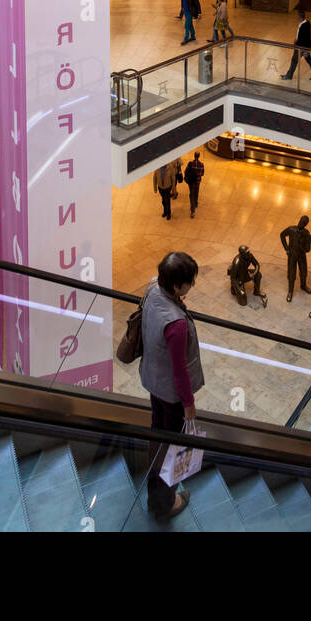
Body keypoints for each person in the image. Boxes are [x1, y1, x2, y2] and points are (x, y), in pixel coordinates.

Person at [139, 251, 203, 521]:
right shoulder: (176, 325)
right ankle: (165, 503)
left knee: (158, 434)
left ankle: (154, 492)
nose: (193, 285)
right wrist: (189, 405)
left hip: (153, 381)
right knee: (174, 449)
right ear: (177, 286)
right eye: (189, 281)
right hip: (172, 395)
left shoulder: (153, 288)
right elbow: (180, 371)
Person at [282, 8, 311, 81]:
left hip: (301, 47)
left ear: (300, 17)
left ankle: (289, 75)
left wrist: (306, 50)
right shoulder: (305, 23)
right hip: (301, 45)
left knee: (294, 60)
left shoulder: (305, 26)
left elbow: (307, 39)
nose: (297, 17)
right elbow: (300, 34)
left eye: (297, 16)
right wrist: (296, 39)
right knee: (309, 60)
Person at [280, 215, 311, 302]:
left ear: (305, 224)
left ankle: (303, 285)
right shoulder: (291, 229)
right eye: (301, 221)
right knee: (291, 273)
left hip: (301, 256)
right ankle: (290, 291)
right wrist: (286, 248)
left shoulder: (306, 233)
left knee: (304, 272)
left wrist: (304, 247)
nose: (301, 223)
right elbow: (282, 235)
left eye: (303, 223)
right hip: (292, 255)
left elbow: (308, 248)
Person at [185, 151, 205, 217]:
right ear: (199, 156)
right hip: (197, 181)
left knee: (191, 195)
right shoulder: (201, 164)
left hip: (191, 182)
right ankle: (196, 202)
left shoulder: (190, 163)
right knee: (196, 192)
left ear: (194, 156)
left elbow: (186, 171)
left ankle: (192, 211)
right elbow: (202, 174)